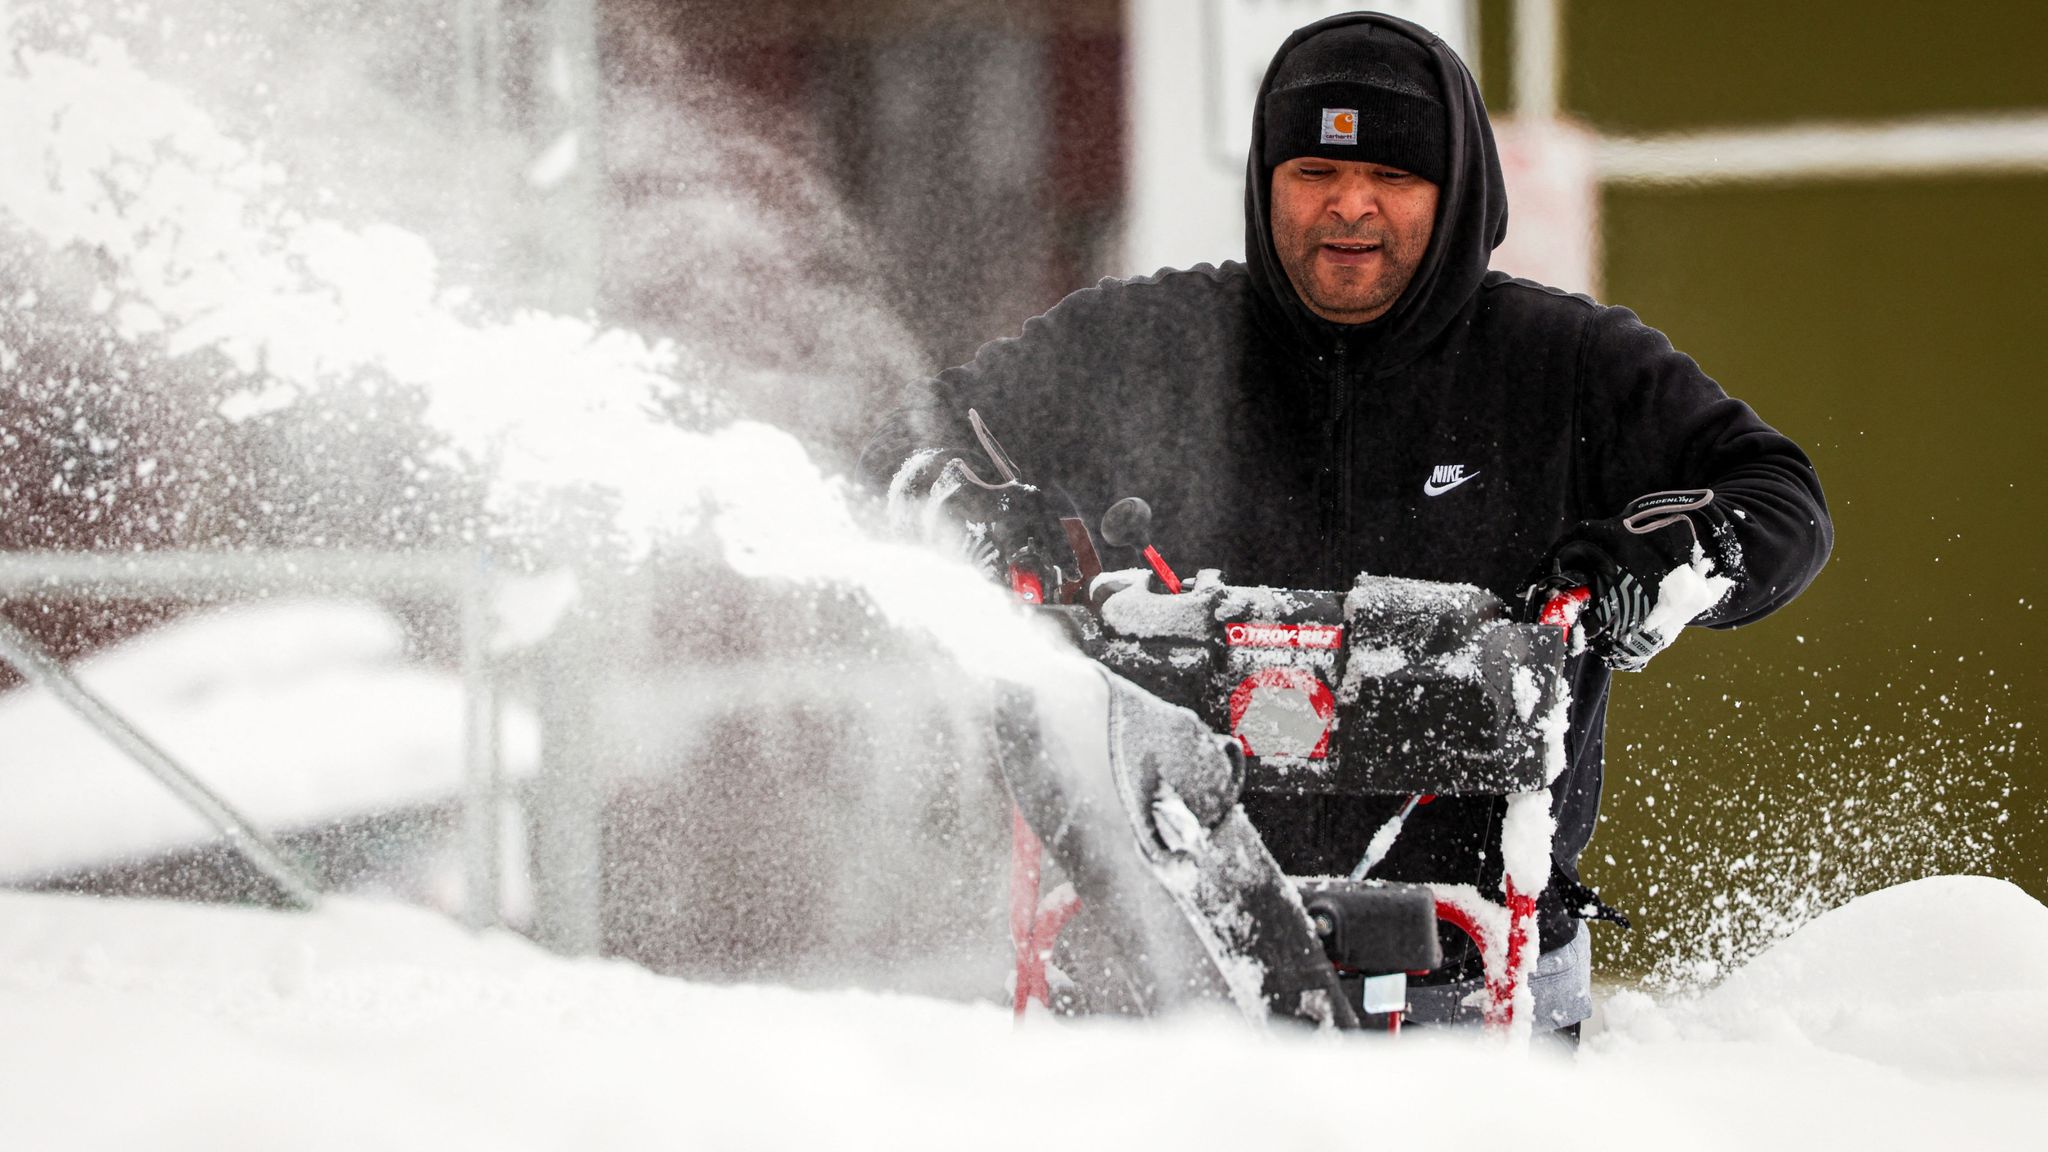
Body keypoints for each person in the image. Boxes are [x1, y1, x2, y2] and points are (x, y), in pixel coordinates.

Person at [859, 11, 1831, 1033]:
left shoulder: (1561, 365)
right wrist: (971, 513)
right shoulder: (1145, 345)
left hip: (1473, 991)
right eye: (1313, 171)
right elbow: (901, 443)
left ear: (1455, 193)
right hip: (1152, 999)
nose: (1348, 206)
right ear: (1266, 182)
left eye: (1392, 176)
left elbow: (1777, 497)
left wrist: (1656, 559)